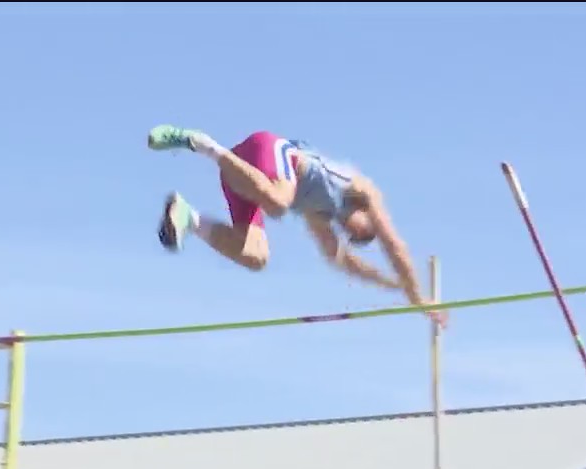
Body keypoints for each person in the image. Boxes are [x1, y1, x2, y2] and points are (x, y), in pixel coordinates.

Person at [147, 124, 446, 326]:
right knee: (279, 203)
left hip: (241, 179)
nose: (350, 233)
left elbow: (341, 260)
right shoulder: (361, 189)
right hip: (267, 152)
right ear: (365, 214)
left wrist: (395, 288)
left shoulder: (321, 217)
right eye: (362, 232)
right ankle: (200, 143)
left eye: (353, 237)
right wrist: (419, 296)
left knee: (256, 256)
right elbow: (394, 245)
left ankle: (189, 217)